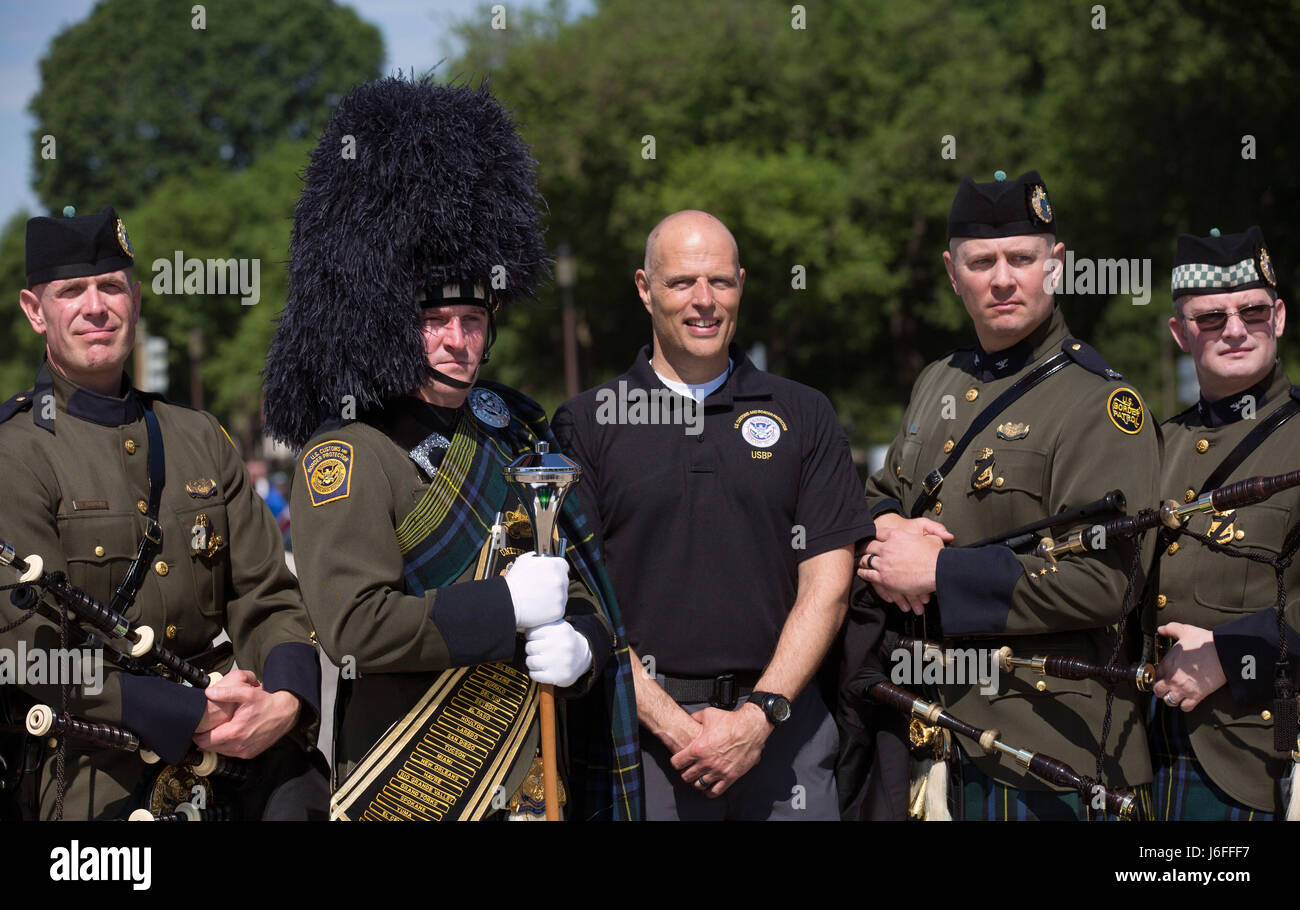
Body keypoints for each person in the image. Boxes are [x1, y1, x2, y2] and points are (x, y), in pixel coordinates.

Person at [263, 77, 641, 821]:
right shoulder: (349, 453)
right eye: (436, 320)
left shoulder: (519, 428)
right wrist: (502, 604)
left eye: (473, 320)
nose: (460, 341)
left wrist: (587, 650)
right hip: (412, 784)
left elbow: (592, 589)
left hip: (540, 776)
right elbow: (355, 629)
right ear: (383, 320)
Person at [848, 170, 1159, 819]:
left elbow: (1111, 584)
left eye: (1022, 258)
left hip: (1050, 751)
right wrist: (886, 528)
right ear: (952, 271)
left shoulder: (1100, 403)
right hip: (933, 730)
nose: (1002, 278)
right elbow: (883, 492)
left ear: (1058, 263)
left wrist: (940, 573)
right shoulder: (938, 380)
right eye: (981, 261)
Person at [0, 206, 325, 820]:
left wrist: (284, 700)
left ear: (137, 299)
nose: (96, 307)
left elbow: (270, 595)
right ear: (35, 310)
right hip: (95, 762)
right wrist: (187, 712)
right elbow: (27, 648)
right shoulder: (13, 452)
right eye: (71, 291)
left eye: (112, 287)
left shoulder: (197, 436)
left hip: (241, 747)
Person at [552, 210, 875, 820]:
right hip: (643, 742)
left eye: (721, 282)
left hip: (786, 735)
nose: (704, 301)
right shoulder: (585, 424)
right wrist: (677, 728)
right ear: (645, 290)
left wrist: (757, 719)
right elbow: (578, 599)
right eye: (681, 283)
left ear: (742, 284)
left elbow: (828, 586)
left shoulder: (804, 414)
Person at [1146, 225, 1300, 819]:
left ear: (1279, 317)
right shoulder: (1155, 445)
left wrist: (1234, 655)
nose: (1235, 330)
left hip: (1260, 754)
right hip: (1142, 753)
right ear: (1181, 332)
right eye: (1211, 318)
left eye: (1253, 312)